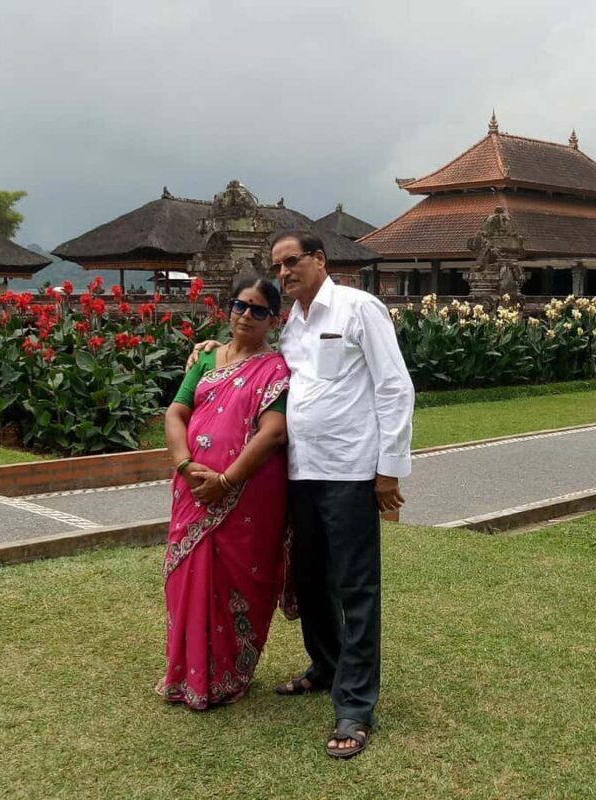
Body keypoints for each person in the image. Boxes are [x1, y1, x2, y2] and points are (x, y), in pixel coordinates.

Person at [191, 231, 415, 759]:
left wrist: (388, 470)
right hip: (300, 472)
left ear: (319, 259)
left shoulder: (359, 308)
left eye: (292, 261)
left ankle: (355, 705)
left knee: (355, 586)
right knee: (310, 579)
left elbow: (394, 386)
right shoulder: (292, 323)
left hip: (350, 470)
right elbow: (262, 363)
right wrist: (213, 348)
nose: (284, 272)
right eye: (277, 265)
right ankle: (326, 665)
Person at [157, 278, 290, 710]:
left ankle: (228, 676)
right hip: (192, 489)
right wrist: (184, 464)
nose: (246, 315)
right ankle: (185, 674)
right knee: (188, 578)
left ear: (274, 319)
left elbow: (273, 431)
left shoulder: (275, 369)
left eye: (258, 310)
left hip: (247, 496)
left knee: (239, 578)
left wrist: (226, 481)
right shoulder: (206, 358)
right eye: (240, 305)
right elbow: (176, 412)